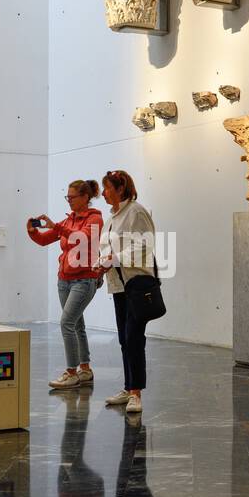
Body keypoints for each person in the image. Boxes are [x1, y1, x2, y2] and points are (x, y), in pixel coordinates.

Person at [27, 179, 105, 389]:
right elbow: (44, 240)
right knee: (77, 325)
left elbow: (84, 238)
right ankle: (85, 369)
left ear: (85, 198)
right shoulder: (68, 220)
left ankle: (71, 372)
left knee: (66, 323)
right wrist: (33, 231)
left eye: (72, 197)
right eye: (67, 197)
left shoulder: (95, 218)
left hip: (85, 278)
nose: (69, 201)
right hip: (65, 279)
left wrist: (57, 227)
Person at [95, 169, 156, 414]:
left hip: (136, 284)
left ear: (120, 189)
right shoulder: (112, 218)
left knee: (133, 338)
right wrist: (102, 262)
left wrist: (114, 259)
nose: (103, 193)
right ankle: (129, 386)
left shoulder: (136, 212)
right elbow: (106, 248)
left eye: (107, 188)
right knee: (124, 339)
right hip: (119, 285)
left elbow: (145, 245)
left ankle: (136, 393)